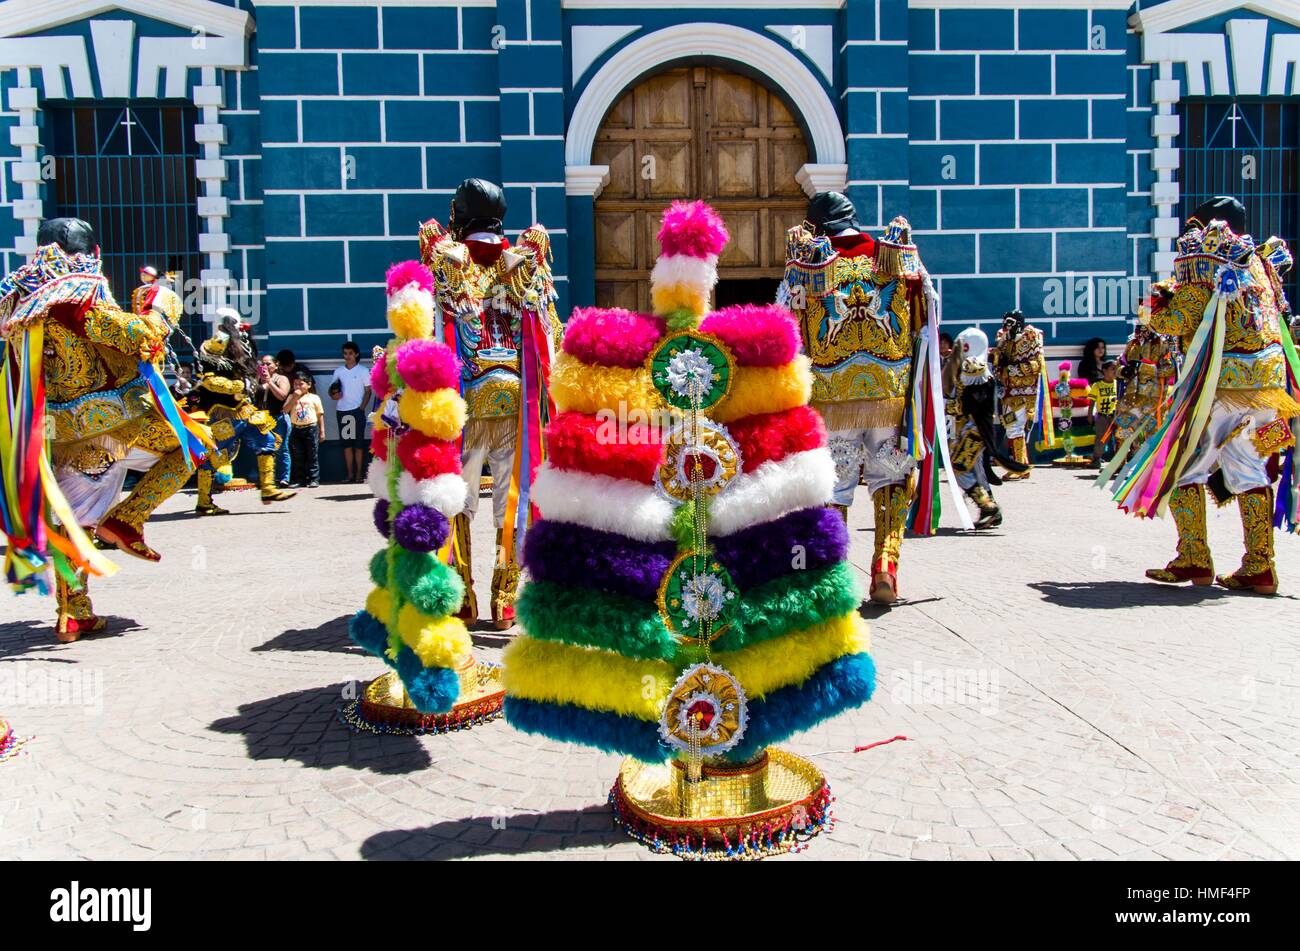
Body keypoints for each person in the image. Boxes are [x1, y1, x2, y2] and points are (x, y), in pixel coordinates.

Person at [0, 218, 209, 640]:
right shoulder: (76, 293)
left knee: (71, 521)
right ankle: (128, 518)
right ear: (91, 253)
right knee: (194, 446)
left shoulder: (20, 300)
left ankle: (72, 612)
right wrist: (161, 307)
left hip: (57, 431)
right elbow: (140, 337)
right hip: (116, 423)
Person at [1102, 196, 1297, 594]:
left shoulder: (1209, 257)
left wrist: (1152, 307)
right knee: (1249, 472)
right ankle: (1260, 565)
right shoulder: (1260, 264)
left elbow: (1176, 321)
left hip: (1220, 386)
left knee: (1181, 466)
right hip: (1267, 389)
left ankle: (1194, 556)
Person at [418, 178, 560, 629]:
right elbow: (548, 340)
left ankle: (461, 598)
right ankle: (505, 602)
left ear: (461, 213)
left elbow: (426, 333)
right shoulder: (526, 261)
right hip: (517, 399)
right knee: (511, 501)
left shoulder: (445, 258)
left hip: (464, 400)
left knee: (456, 497)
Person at [779, 194, 932, 604]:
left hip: (832, 400)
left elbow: (786, 331)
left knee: (834, 487)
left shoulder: (807, 264)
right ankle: (885, 567)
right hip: (889, 397)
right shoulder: (896, 257)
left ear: (815, 226)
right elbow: (925, 323)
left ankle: (832, 578)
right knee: (891, 478)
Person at [191, 309, 297, 514]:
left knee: (266, 440)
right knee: (215, 455)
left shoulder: (241, 346)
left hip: (245, 411)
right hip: (223, 412)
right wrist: (238, 387)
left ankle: (268, 489)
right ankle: (204, 501)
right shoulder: (212, 346)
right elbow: (208, 380)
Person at [948, 328, 1028, 527]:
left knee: (959, 468)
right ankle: (991, 510)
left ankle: (988, 507)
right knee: (977, 471)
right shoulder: (979, 365)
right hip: (974, 428)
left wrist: (946, 406)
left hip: (972, 428)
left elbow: (970, 402)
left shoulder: (973, 366)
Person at [992, 309, 1048, 480]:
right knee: (1011, 428)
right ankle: (1022, 465)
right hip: (1008, 392)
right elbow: (998, 365)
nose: (1005, 326)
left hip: (1024, 392)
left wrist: (1013, 369)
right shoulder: (1004, 340)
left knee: (1015, 428)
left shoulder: (1029, 339)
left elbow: (1037, 365)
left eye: (1009, 322)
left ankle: (1019, 467)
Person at [330, 340, 371, 484]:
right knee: (347, 445)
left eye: (350, 354)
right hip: (342, 411)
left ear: (356, 354)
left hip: (356, 411)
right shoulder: (339, 371)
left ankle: (359, 474)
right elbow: (333, 391)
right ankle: (350, 475)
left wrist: (361, 407)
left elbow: (368, 391)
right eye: (345, 353)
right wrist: (335, 395)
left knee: (358, 445)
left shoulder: (363, 371)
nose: (347, 356)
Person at [283, 371, 324, 488]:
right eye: (295, 384)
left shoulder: (314, 398)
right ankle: (299, 479)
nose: (298, 387)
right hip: (296, 429)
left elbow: (320, 414)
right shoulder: (291, 397)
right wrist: (294, 398)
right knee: (297, 455)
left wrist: (322, 431)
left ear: (309, 385)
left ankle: (313, 479)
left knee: (312, 454)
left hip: (311, 428)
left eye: (301, 384)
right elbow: (285, 410)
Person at [272, 349, 301, 484]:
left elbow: (283, 395)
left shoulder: (283, 378)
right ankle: (271, 477)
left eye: (268, 364)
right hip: (266, 416)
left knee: (285, 448)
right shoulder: (260, 378)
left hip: (288, 415)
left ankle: (287, 477)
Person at [1089, 360, 1119, 466]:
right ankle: (1096, 458)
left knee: (1118, 438)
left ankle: (1119, 460)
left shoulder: (1118, 384)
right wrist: (1090, 415)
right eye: (1112, 369)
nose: (1115, 371)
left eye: (1116, 368)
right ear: (1104, 371)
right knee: (1101, 438)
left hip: (1116, 416)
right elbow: (1092, 401)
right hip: (1102, 416)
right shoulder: (1097, 385)